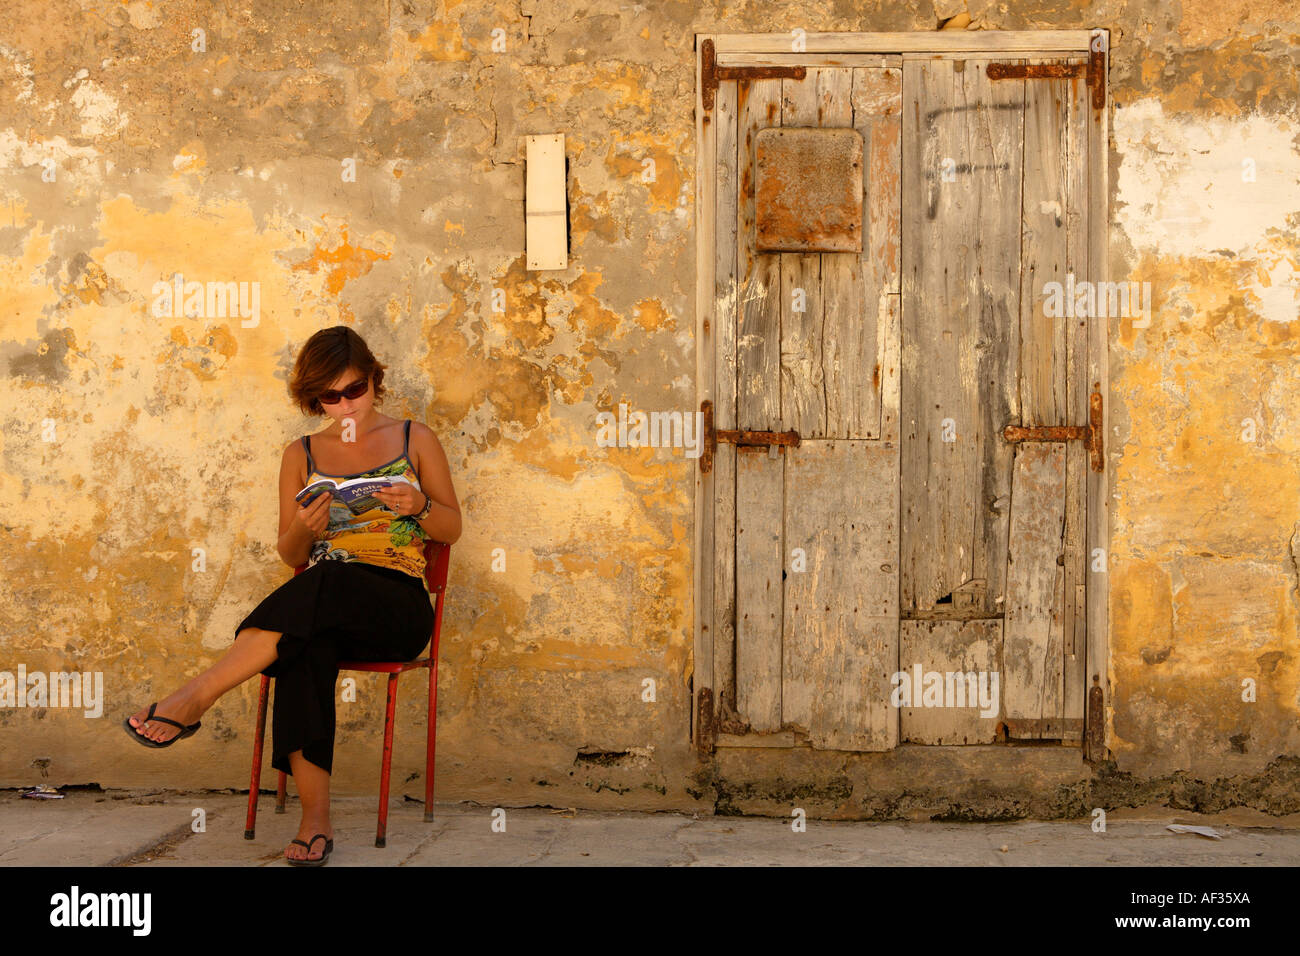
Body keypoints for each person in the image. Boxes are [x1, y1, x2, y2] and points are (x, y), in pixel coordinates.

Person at [122, 326, 462, 865]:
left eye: (355, 390)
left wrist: (418, 506)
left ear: (375, 381)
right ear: (313, 398)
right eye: (330, 396)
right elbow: (290, 552)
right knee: (302, 646)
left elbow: (452, 529)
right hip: (321, 605)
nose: (345, 405)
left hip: (395, 606)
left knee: (322, 582)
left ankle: (195, 696)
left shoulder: (413, 439)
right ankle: (315, 822)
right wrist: (307, 526)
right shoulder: (300, 453)